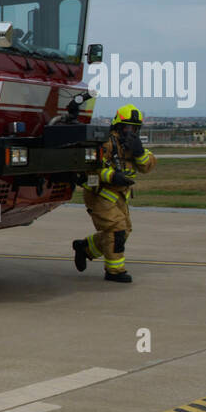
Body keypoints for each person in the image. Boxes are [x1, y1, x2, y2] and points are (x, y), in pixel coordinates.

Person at [72, 104, 156, 283]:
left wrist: (140, 152)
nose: (130, 131)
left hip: (119, 197)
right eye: (127, 126)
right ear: (118, 126)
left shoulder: (134, 145)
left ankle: (85, 248)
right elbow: (90, 169)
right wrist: (112, 176)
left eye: (134, 127)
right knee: (117, 230)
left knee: (124, 231)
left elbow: (147, 166)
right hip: (100, 194)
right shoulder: (106, 142)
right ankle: (115, 271)